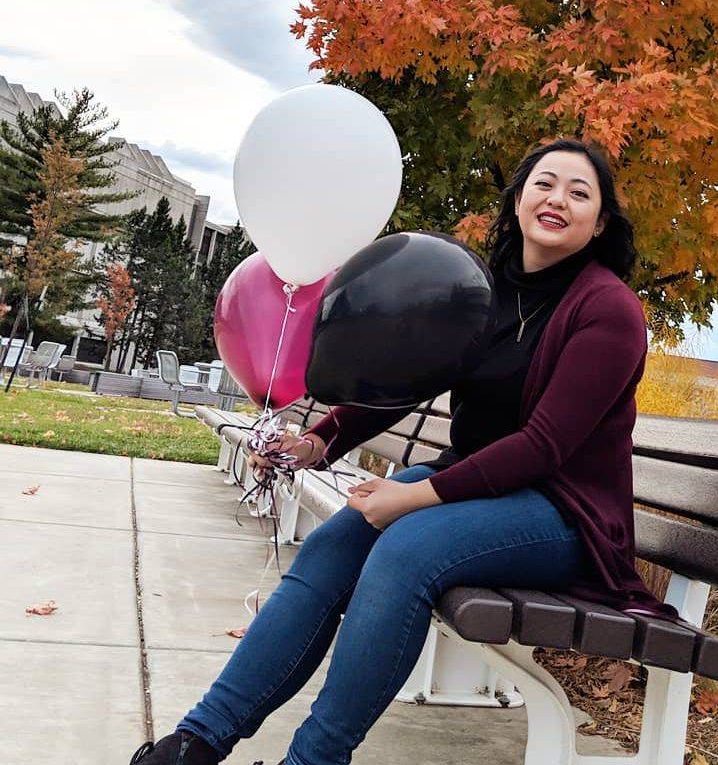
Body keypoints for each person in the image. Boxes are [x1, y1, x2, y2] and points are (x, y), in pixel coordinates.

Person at [131, 137, 675, 765]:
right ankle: (197, 740)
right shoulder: (486, 290)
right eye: (544, 183)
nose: (558, 199)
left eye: (580, 193)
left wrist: (414, 496)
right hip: (474, 494)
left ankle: (313, 760)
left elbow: (545, 446)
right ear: (519, 198)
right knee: (338, 541)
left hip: (562, 516)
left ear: (600, 221)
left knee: (407, 550)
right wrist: (319, 440)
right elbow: (406, 384)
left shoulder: (609, 310)